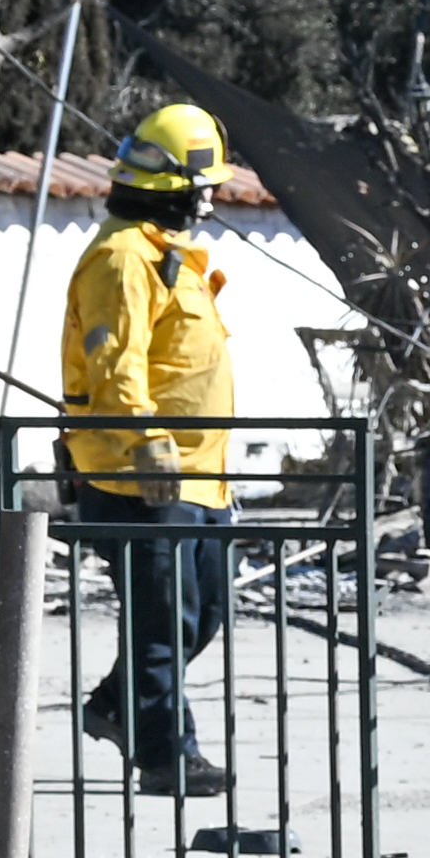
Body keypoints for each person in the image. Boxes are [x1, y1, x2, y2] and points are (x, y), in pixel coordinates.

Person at [62, 102, 250, 815]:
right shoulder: (121, 259)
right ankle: (167, 755)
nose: (212, 199)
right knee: (162, 625)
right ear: (183, 188)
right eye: (208, 188)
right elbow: (116, 363)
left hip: (203, 478)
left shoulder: (166, 256)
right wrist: (146, 444)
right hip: (142, 477)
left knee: (202, 617)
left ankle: (117, 705)